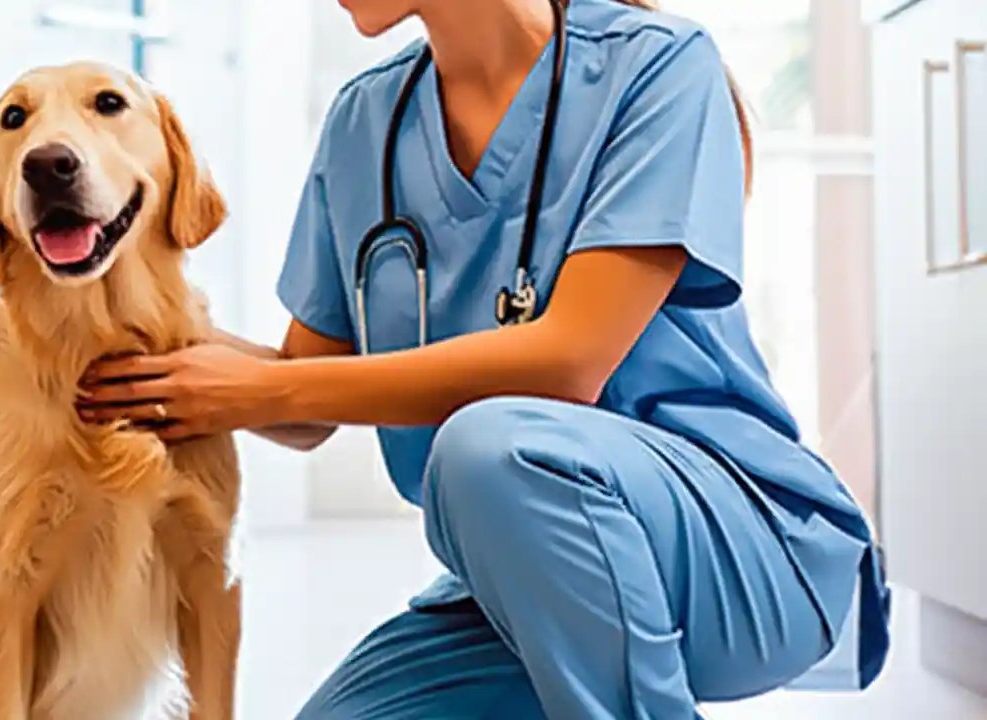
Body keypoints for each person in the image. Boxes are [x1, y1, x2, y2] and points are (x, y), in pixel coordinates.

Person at [75, 0, 891, 717]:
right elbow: (305, 400)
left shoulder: (659, 68)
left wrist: (261, 390)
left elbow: (570, 362)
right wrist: (120, 327)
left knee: (490, 446)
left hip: (740, 550)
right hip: (513, 585)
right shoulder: (366, 120)